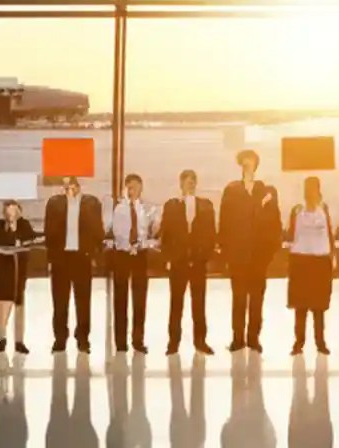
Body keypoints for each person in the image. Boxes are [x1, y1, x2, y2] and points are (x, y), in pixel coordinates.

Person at [219, 149, 283, 353]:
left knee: (257, 299)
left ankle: (253, 337)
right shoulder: (231, 190)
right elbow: (225, 223)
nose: (248, 167)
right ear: (241, 166)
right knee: (238, 298)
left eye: (251, 163)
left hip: (258, 256)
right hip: (238, 256)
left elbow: (275, 222)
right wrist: (226, 252)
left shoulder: (266, 191)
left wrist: (270, 250)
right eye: (244, 163)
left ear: (256, 165)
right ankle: (237, 338)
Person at [159, 169, 217, 356]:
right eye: (187, 181)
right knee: (176, 304)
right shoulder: (171, 205)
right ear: (181, 184)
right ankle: (173, 342)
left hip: (198, 262)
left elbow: (210, 233)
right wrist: (169, 258)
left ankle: (200, 341)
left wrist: (204, 256)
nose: (190, 184)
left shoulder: (206, 205)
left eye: (193, 181)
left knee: (199, 304)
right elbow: (165, 233)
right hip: (179, 262)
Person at [44, 176, 104, 354]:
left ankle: (83, 338)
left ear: (78, 186)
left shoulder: (91, 203)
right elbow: (49, 231)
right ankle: (60, 338)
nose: (70, 188)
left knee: (83, 300)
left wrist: (95, 254)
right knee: (60, 300)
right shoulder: (55, 203)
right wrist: (50, 258)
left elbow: (97, 230)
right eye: (66, 185)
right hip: (61, 258)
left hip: (82, 257)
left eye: (73, 185)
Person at [0, 199, 40, 355]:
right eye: (8, 211)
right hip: (1, 269)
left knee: (18, 302)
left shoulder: (24, 225)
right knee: (0, 303)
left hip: (18, 269)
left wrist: (19, 237)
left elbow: (32, 240)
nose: (11, 214)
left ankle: (19, 341)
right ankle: (1, 338)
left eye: (14, 211)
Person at [107, 173, 158, 355]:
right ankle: (120, 342)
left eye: (135, 186)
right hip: (122, 254)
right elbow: (113, 230)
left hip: (140, 256)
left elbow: (150, 231)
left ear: (141, 188)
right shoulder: (118, 208)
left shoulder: (146, 209)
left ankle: (138, 340)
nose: (132, 189)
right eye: (129, 186)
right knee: (120, 299)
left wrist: (143, 243)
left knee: (139, 298)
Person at [287, 176, 335, 356]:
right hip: (301, 261)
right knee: (300, 307)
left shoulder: (324, 210)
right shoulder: (297, 210)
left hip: (320, 262)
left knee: (319, 306)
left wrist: (332, 257)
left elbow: (329, 234)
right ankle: (298, 342)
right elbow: (290, 234)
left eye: (314, 188)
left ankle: (320, 342)